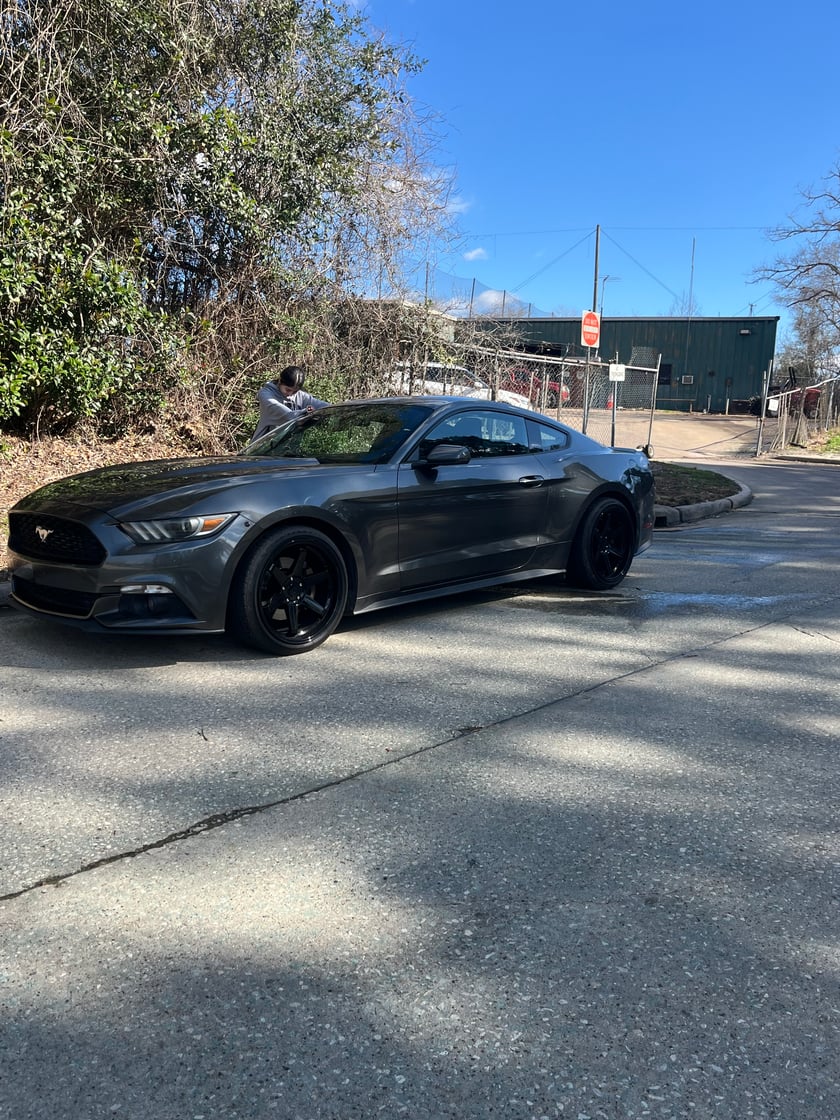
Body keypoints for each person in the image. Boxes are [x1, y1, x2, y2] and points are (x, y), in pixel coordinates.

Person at [251, 366, 328, 441]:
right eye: (288, 390)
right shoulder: (266, 395)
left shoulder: (299, 395)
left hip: (288, 450)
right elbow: (288, 416)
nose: (291, 394)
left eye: (295, 391)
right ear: (280, 381)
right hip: (264, 450)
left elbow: (324, 407)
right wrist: (308, 410)